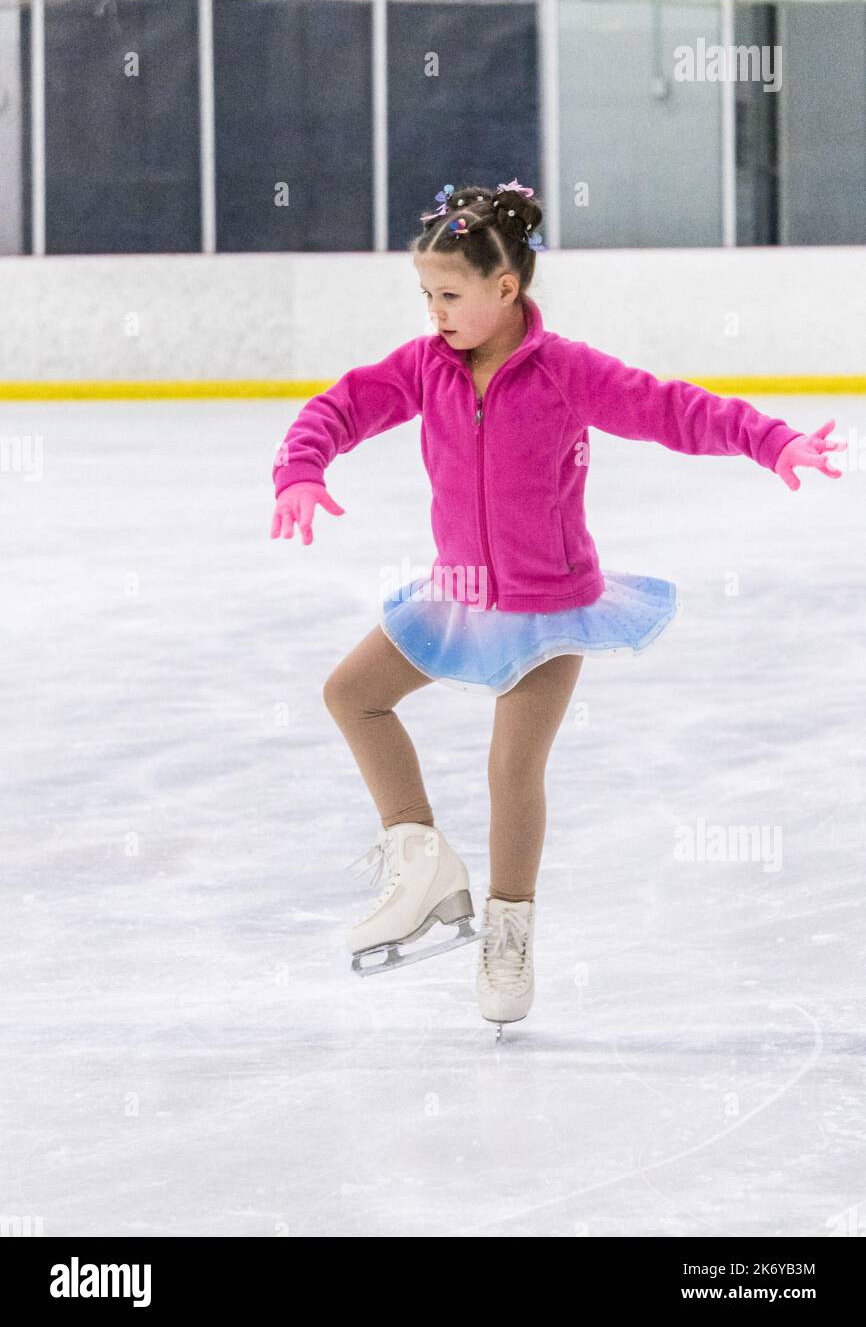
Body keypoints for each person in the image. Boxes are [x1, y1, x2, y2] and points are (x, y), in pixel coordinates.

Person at [269, 179, 845, 1035]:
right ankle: (420, 860)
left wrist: (772, 440)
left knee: (511, 770)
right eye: (426, 296)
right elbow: (339, 407)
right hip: (458, 594)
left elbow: (670, 409)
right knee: (352, 693)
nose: (436, 314)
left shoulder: (567, 373)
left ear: (507, 289)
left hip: (549, 605)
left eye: (451, 296)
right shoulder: (425, 366)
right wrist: (302, 470)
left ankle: (507, 930)